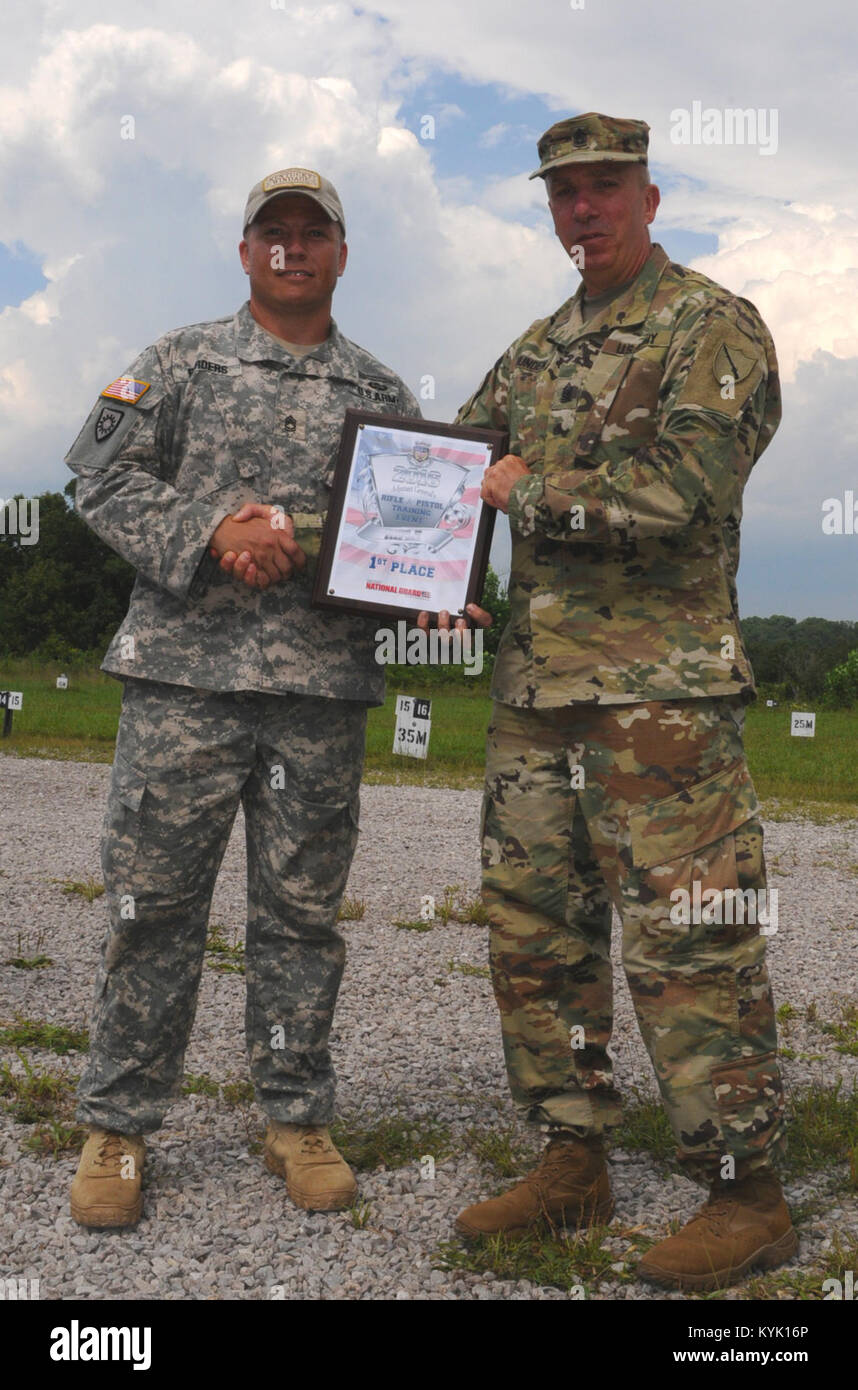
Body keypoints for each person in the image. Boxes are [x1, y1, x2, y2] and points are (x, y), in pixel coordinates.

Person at [451, 113, 795, 1291]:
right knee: (537, 937)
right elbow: (448, 474)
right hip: (537, 696)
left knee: (690, 938)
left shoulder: (713, 326)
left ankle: (746, 1191)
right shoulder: (538, 348)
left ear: (649, 194)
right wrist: (415, 566)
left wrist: (524, 491)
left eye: (604, 188)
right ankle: (573, 1154)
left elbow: (685, 491)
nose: (582, 210)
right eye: (563, 193)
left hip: (659, 703)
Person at [64, 167, 423, 1227]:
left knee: (302, 918)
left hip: (315, 692)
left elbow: (402, 538)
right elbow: (96, 471)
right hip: (184, 681)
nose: (294, 248)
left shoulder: (385, 397)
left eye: (316, 233)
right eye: (276, 231)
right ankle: (119, 1126)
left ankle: (296, 1115)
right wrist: (211, 533)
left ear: (343, 256)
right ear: (245, 249)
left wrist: (430, 591)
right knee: (152, 908)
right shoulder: (173, 361)